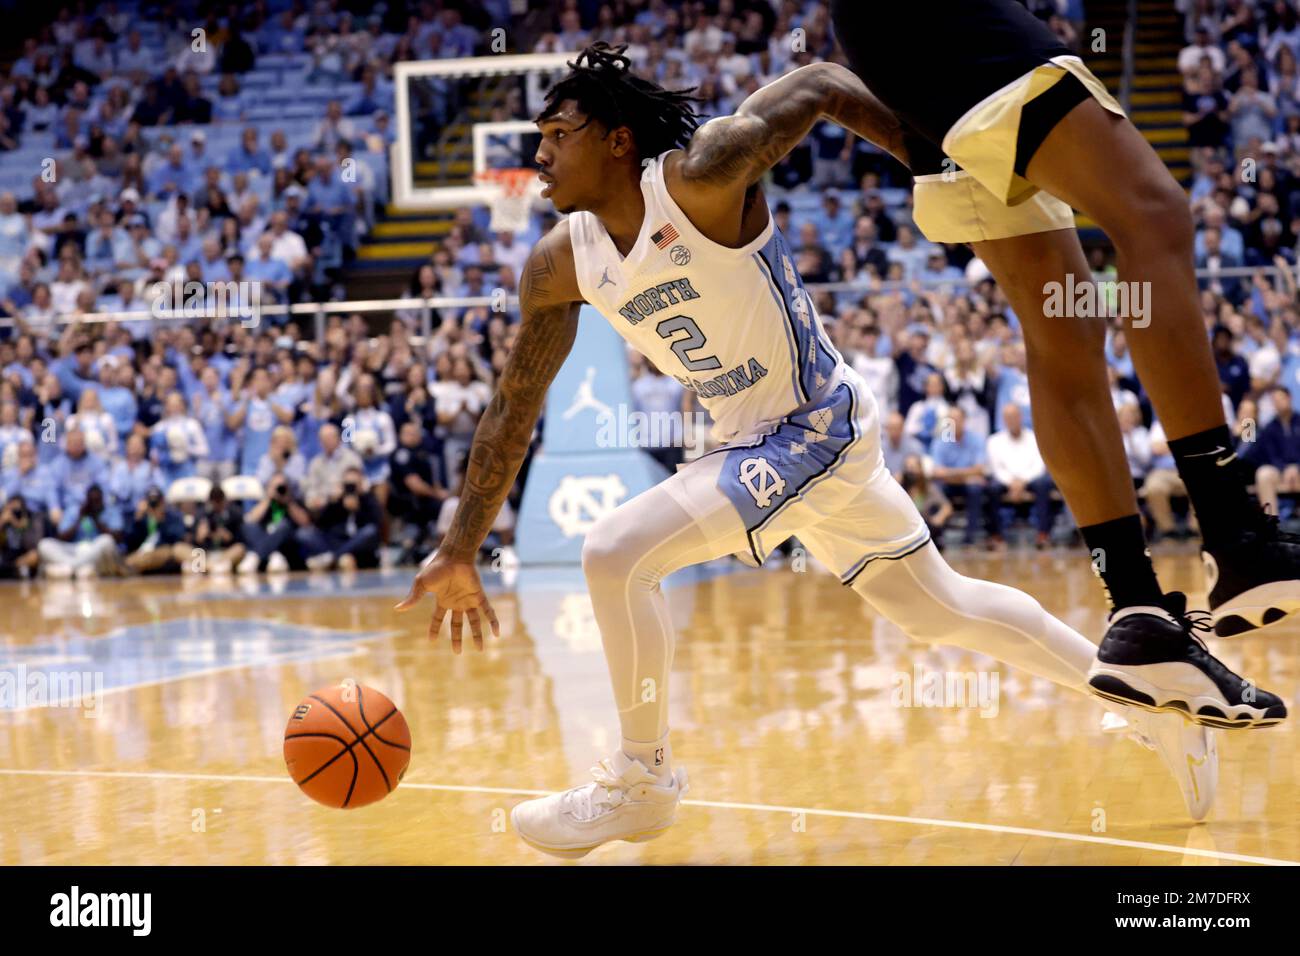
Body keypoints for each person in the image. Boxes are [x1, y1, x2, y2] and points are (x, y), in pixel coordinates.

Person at [398, 45, 1220, 857]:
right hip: (763, 443)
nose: (537, 154)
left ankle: (641, 781)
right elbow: (513, 406)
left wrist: (933, 165)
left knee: (615, 552)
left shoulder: (700, 179)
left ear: (617, 140)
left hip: (812, 425)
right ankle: (1154, 695)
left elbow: (823, 83)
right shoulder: (558, 264)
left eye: (557, 132)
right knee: (938, 608)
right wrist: (459, 549)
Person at [829, 0, 1290, 711]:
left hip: (900, 46)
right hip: (937, 26)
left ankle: (1138, 614)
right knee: (1155, 211)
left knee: (1064, 326)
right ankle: (1236, 536)